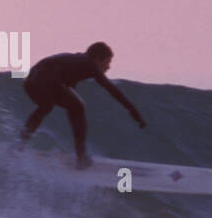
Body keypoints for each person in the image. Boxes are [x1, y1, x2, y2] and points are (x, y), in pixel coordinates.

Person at [18, 42, 146, 168]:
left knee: (46, 106)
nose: (108, 67)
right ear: (98, 59)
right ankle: (81, 157)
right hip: (46, 79)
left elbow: (65, 80)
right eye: (108, 62)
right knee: (78, 107)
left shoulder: (77, 61)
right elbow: (113, 90)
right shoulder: (90, 65)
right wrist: (134, 112)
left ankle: (20, 144)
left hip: (29, 80)